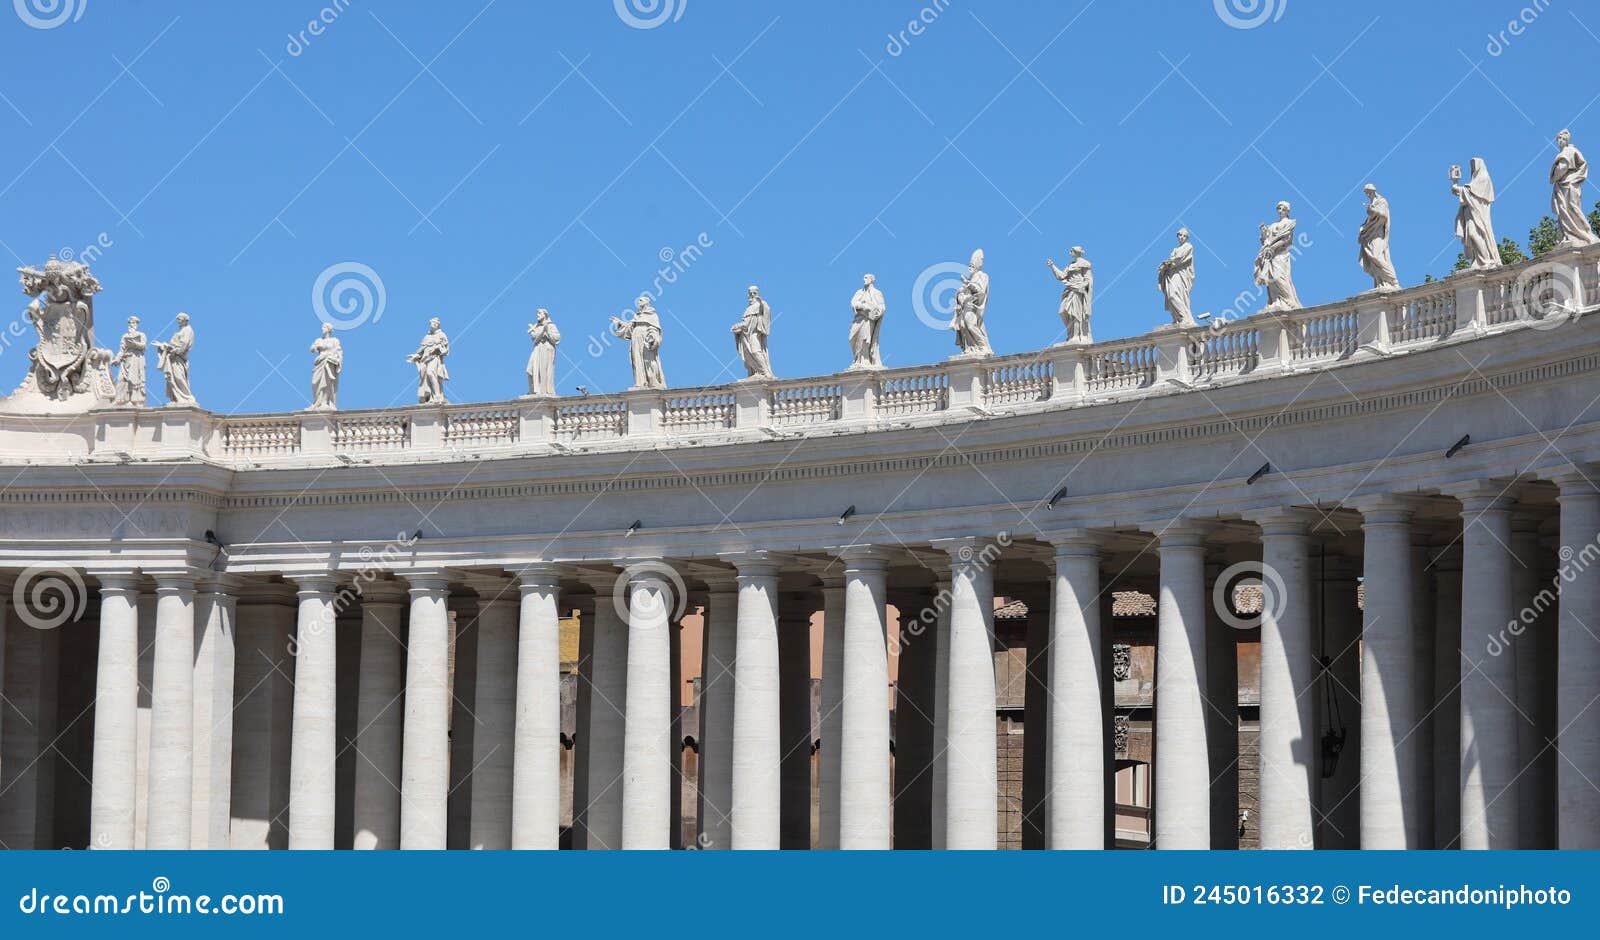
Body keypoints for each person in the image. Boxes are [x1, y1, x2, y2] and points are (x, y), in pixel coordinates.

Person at [1452, 158, 1500, 270]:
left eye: (1474, 165)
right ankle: (1478, 260)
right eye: (1471, 166)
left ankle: (1485, 260)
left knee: (1474, 235)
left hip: (1478, 216)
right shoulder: (1474, 182)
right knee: (1472, 236)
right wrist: (1455, 184)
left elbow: (1470, 192)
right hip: (1470, 215)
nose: (1473, 169)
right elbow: (1467, 194)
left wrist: (1457, 187)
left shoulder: (1484, 179)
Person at [1254, 202, 1302, 312]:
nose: (1279, 210)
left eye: (1281, 208)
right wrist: (1263, 233)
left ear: (1287, 210)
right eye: (1278, 208)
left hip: (1281, 255)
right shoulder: (1272, 225)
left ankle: (1288, 301)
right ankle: (1275, 301)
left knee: (1279, 276)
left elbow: (1286, 239)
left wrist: (1272, 248)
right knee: (1271, 279)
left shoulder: (1290, 223)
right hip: (1270, 256)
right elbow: (1265, 240)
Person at [611, 296, 666, 390]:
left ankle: (653, 382)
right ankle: (640, 383)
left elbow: (655, 328)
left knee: (648, 360)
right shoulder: (637, 316)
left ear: (647, 302)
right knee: (637, 360)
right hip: (635, 339)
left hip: (646, 339)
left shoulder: (652, 315)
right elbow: (629, 328)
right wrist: (619, 322)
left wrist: (653, 337)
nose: (639, 302)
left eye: (641, 300)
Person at [1357, 183, 1400, 292]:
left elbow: (1384, 216)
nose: (1367, 195)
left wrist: (1373, 211)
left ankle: (1393, 280)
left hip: (1378, 235)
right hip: (1370, 235)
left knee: (1376, 256)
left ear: (1373, 191)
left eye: (1368, 192)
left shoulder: (1382, 201)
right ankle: (1381, 282)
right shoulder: (1373, 203)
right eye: (1366, 193)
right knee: (1372, 260)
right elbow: (1370, 220)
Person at [1046, 246, 1093, 342]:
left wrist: (1082, 286)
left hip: (1078, 290)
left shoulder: (1085, 264)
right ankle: (1071, 334)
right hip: (1069, 289)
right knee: (1063, 312)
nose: (1070, 252)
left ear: (1077, 252)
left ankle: (1076, 336)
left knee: (1075, 313)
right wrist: (1052, 266)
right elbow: (1062, 276)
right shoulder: (1070, 265)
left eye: (1071, 251)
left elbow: (1088, 279)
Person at [154, 312, 196, 406]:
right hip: (173, 358)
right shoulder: (181, 330)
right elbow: (174, 344)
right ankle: (177, 398)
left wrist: (173, 350)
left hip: (178, 358)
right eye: (177, 320)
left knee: (178, 377)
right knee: (172, 378)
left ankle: (187, 397)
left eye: (180, 319)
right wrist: (163, 346)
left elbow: (183, 345)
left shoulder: (188, 330)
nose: (178, 321)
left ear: (185, 320)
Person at [731, 285, 773, 379]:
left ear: (758, 294)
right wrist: (738, 327)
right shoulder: (748, 309)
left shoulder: (761, 304)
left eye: (754, 293)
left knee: (755, 351)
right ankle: (755, 372)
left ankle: (765, 372)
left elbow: (767, 311)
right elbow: (746, 322)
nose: (752, 295)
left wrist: (761, 301)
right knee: (748, 354)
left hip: (754, 333)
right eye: (750, 293)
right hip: (746, 335)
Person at [1158, 228, 1196, 326]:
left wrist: (1168, 263)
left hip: (1180, 275)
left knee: (1174, 295)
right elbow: (1173, 260)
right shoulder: (1175, 249)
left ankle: (1184, 317)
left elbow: (1180, 259)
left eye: (1184, 236)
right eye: (1180, 235)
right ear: (1177, 236)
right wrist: (1164, 267)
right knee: (1171, 296)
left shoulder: (1189, 246)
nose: (1182, 237)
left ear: (1187, 238)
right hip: (1172, 274)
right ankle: (1177, 318)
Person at [407, 317, 450, 404]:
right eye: (432, 323)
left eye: (435, 324)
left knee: (431, 373)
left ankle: (437, 396)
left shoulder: (442, 335)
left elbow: (446, 350)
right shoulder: (427, 337)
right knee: (426, 378)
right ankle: (430, 397)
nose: (433, 325)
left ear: (438, 325)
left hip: (434, 358)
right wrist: (416, 356)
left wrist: (438, 348)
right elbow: (422, 351)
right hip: (424, 360)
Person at [847, 273, 885, 369]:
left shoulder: (877, 293)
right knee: (852, 338)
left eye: (866, 278)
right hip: (859, 319)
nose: (864, 279)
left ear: (871, 280)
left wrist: (873, 310)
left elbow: (882, 307)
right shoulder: (859, 292)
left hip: (868, 320)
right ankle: (857, 359)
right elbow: (853, 303)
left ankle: (864, 361)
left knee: (865, 339)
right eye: (864, 278)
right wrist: (861, 305)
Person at [525, 308, 561, 397]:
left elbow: (557, 339)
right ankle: (533, 390)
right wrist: (542, 332)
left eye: (539, 313)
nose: (537, 315)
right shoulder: (536, 327)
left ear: (545, 315)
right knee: (530, 370)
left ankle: (543, 391)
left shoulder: (551, 325)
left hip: (547, 349)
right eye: (537, 313)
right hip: (537, 349)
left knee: (544, 370)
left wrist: (547, 332)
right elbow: (534, 339)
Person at [113, 316, 147, 406]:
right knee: (121, 379)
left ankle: (135, 401)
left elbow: (143, 346)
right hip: (125, 360)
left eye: (133, 323)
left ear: (137, 324)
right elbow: (121, 350)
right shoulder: (125, 336)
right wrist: (117, 359)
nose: (131, 325)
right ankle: (122, 400)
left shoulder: (141, 335)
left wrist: (134, 344)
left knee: (134, 380)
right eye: (130, 323)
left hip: (136, 359)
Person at [309, 322, 343, 410]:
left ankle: (324, 402)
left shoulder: (335, 340)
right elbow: (312, 349)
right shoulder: (319, 340)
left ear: (328, 329)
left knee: (327, 383)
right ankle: (317, 401)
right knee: (315, 382)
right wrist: (316, 346)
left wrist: (337, 360)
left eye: (324, 328)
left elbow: (339, 352)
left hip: (328, 363)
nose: (322, 329)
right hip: (319, 363)